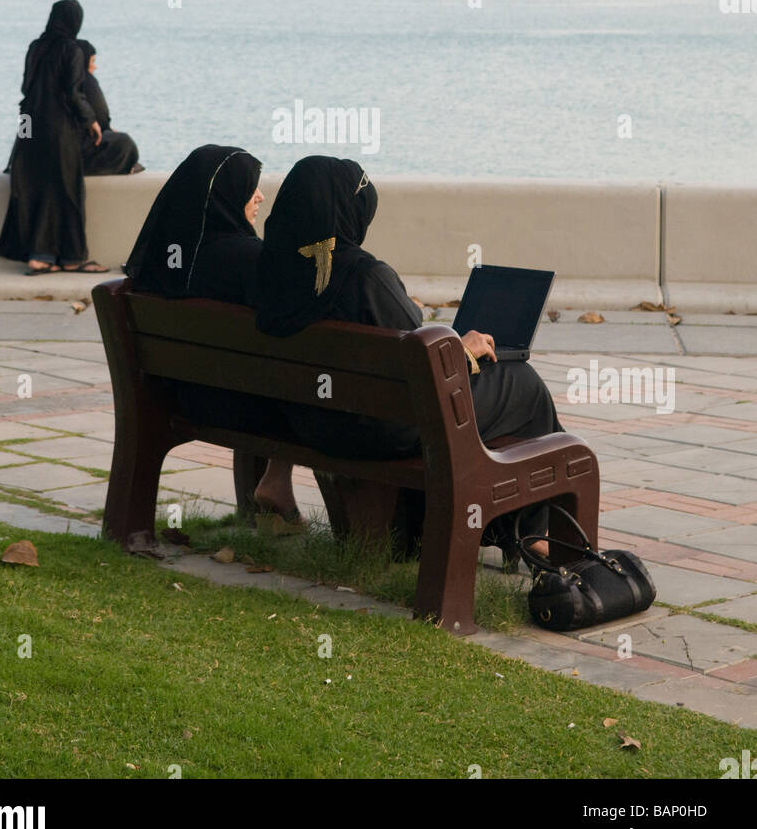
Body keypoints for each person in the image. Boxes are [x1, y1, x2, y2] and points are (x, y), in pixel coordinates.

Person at [254, 155, 561, 558]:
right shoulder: (365, 276)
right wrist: (463, 350)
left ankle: (490, 527)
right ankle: (529, 533)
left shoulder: (267, 272)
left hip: (308, 423)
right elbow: (422, 367)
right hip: (384, 428)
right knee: (523, 384)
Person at [123, 144, 302, 532]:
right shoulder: (250, 260)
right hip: (243, 406)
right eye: (250, 187)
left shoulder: (162, 259)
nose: (260, 196)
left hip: (173, 396)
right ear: (227, 195)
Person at [0, 0, 108, 275]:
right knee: (69, 192)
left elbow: (26, 86)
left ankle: (40, 257)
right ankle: (72, 258)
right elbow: (73, 93)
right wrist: (90, 121)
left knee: (38, 190)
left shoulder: (36, 47)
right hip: (59, 130)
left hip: (30, 126)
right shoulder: (72, 49)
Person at [76, 40, 143, 175]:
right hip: (79, 151)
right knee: (124, 143)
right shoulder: (86, 81)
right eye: (92, 61)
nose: (95, 67)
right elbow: (100, 117)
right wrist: (106, 129)